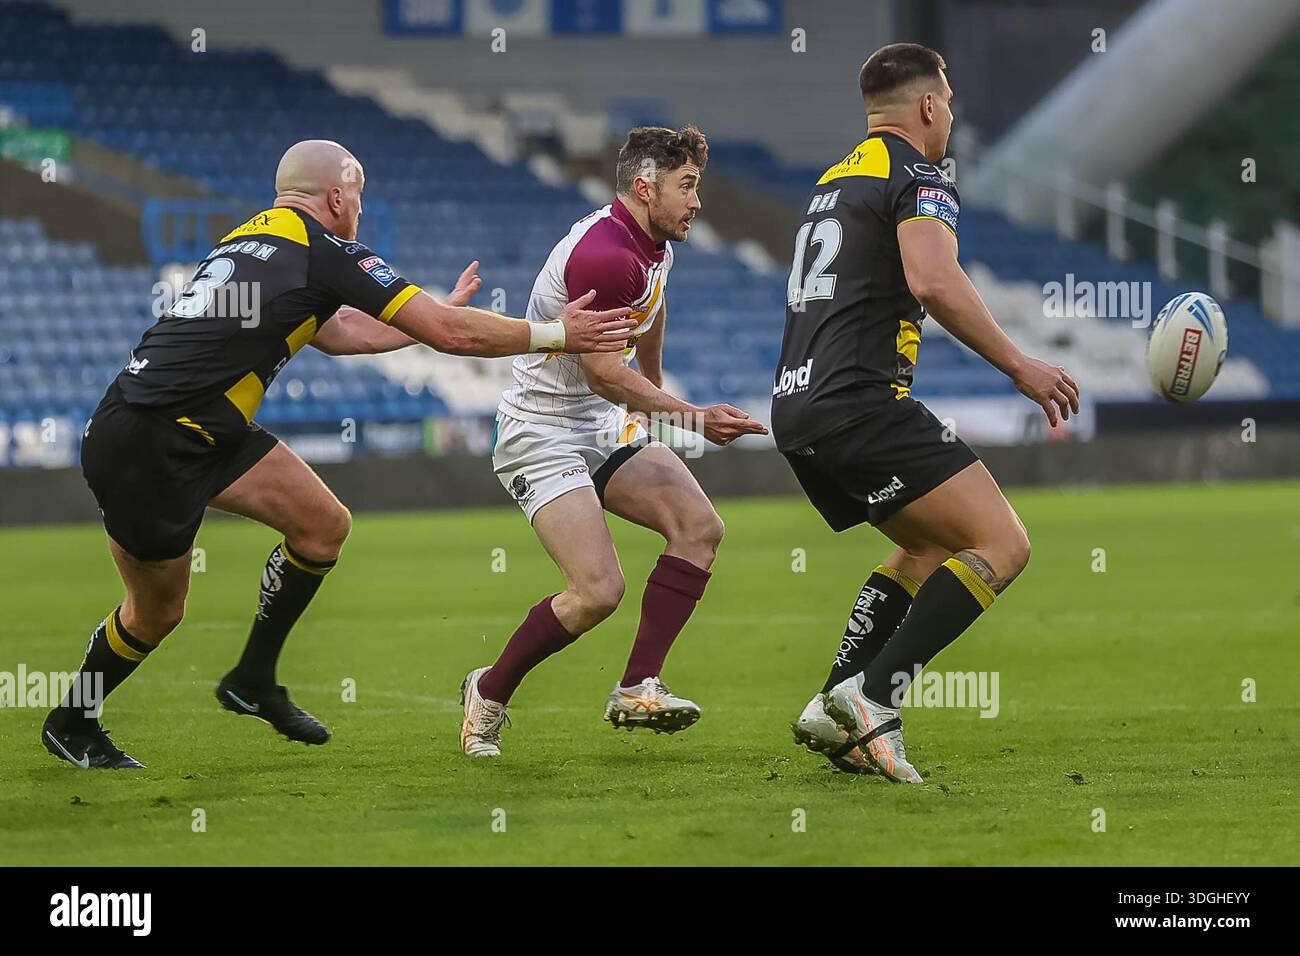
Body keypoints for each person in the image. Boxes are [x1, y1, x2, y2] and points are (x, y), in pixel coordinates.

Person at [42, 139, 637, 770]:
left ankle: (254, 677)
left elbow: (340, 331)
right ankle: (72, 719)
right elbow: (451, 335)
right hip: (156, 441)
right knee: (156, 612)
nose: (360, 206)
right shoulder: (321, 248)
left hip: (192, 428)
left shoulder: (254, 236)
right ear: (336, 197)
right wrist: (555, 333)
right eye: (358, 194)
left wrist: (428, 320)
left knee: (322, 526)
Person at [772, 46, 1080, 782]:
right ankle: (877, 696)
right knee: (1002, 544)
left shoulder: (834, 179)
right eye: (949, 101)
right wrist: (1021, 366)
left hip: (799, 407)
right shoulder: (920, 174)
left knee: (926, 547)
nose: (951, 114)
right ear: (930, 107)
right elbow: (934, 281)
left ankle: (831, 700)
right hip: (858, 403)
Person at [459, 126, 767, 758]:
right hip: (541, 431)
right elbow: (602, 371)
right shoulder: (606, 254)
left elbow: (650, 314)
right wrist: (690, 418)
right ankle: (487, 693)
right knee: (599, 592)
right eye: (687, 187)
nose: (697, 202)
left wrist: (655, 393)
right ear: (645, 187)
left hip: (602, 421)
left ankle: (635, 687)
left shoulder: (655, 245)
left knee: (699, 528)